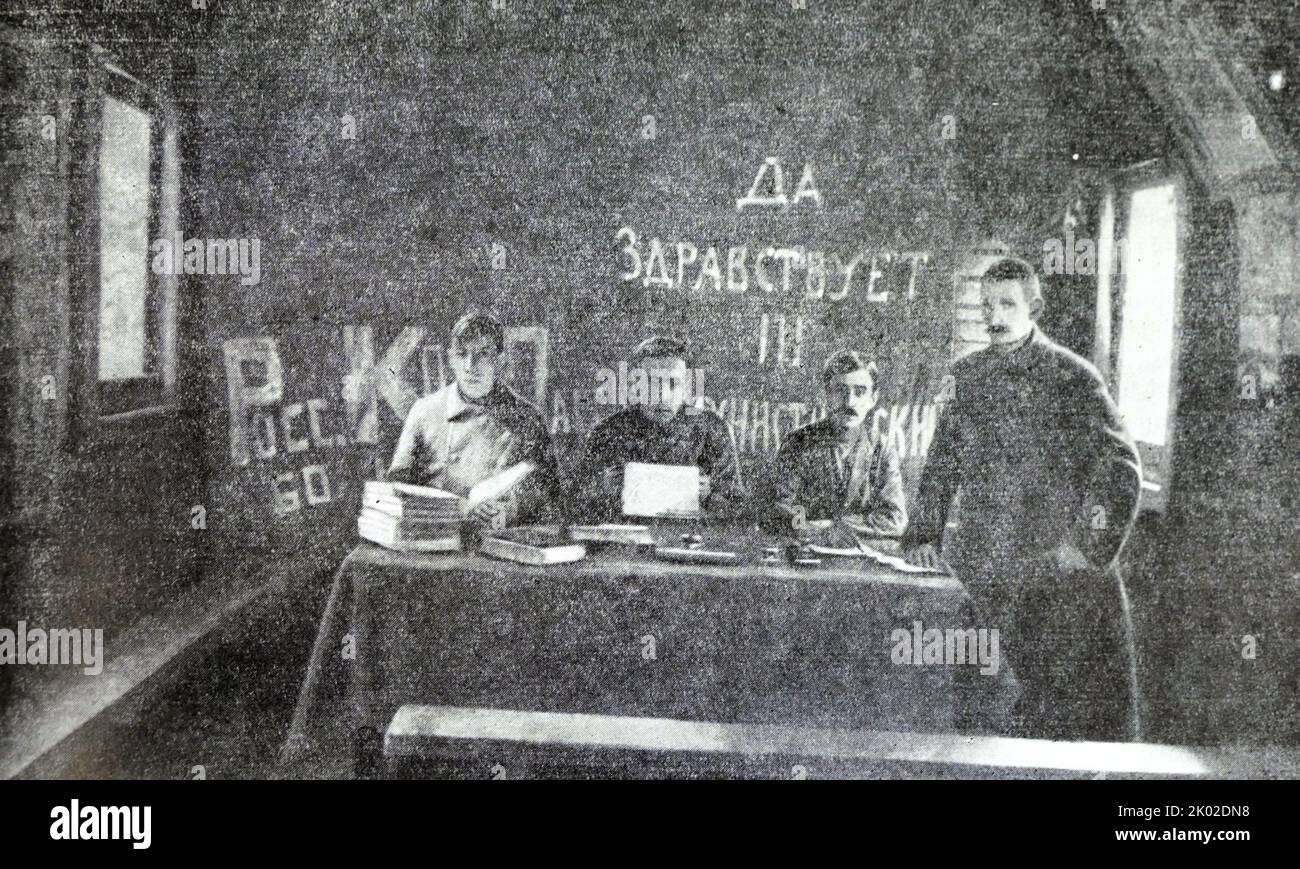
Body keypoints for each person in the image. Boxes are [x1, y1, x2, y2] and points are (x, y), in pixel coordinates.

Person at [903, 257, 1143, 741]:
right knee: (983, 713)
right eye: (986, 304)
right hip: (986, 566)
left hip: (1059, 575)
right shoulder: (965, 376)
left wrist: (1084, 547)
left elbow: (1122, 469)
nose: (994, 314)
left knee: (1062, 720)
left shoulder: (1073, 376)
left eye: (1007, 304)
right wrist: (924, 533)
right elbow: (942, 463)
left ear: (1033, 307)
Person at [387, 311, 560, 527]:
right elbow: (396, 486)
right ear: (450, 359)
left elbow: (547, 488)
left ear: (501, 361)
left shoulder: (528, 418)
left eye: (483, 354)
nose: (471, 366)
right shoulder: (423, 412)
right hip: (435, 535)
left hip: (497, 539)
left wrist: (510, 509)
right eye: (462, 354)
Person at [571, 335, 746, 522]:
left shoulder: (712, 430)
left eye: (674, 383)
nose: (663, 396)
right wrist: (602, 490)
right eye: (652, 383)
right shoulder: (607, 432)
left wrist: (710, 496)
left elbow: (738, 512)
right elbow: (575, 508)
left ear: (686, 387)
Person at [764, 350, 907, 545]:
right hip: (807, 550)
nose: (849, 402)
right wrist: (813, 529)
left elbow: (895, 518)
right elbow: (780, 507)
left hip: (862, 557)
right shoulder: (798, 443)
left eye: (860, 391)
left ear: (873, 398)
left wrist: (838, 526)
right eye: (840, 390)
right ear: (826, 395)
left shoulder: (882, 449)